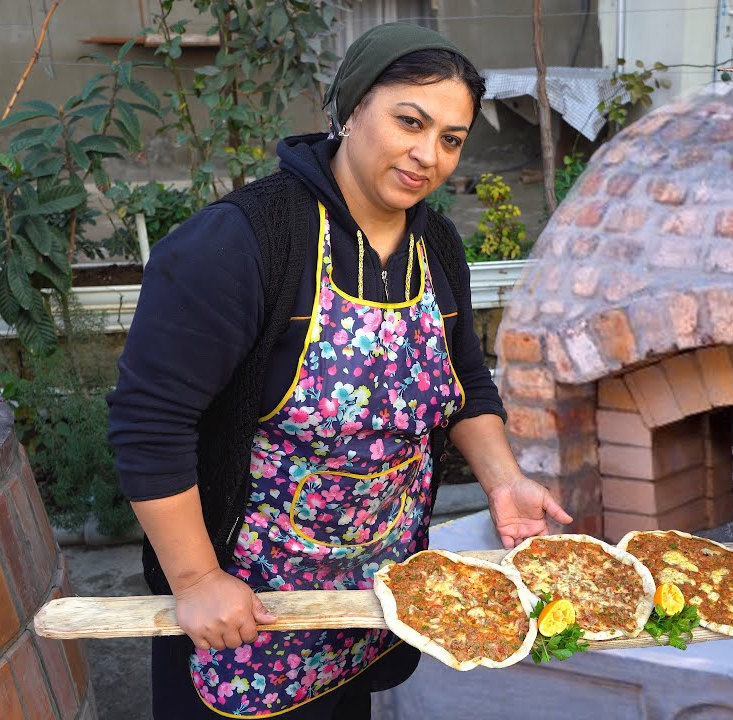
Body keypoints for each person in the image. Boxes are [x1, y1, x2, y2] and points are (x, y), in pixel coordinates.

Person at [107, 22, 572, 719]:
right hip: (243, 612)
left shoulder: (435, 244)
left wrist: (504, 483)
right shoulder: (245, 241)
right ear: (351, 109)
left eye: (451, 139)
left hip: (370, 602)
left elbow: (465, 381)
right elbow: (150, 423)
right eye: (409, 122)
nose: (428, 156)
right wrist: (197, 578)